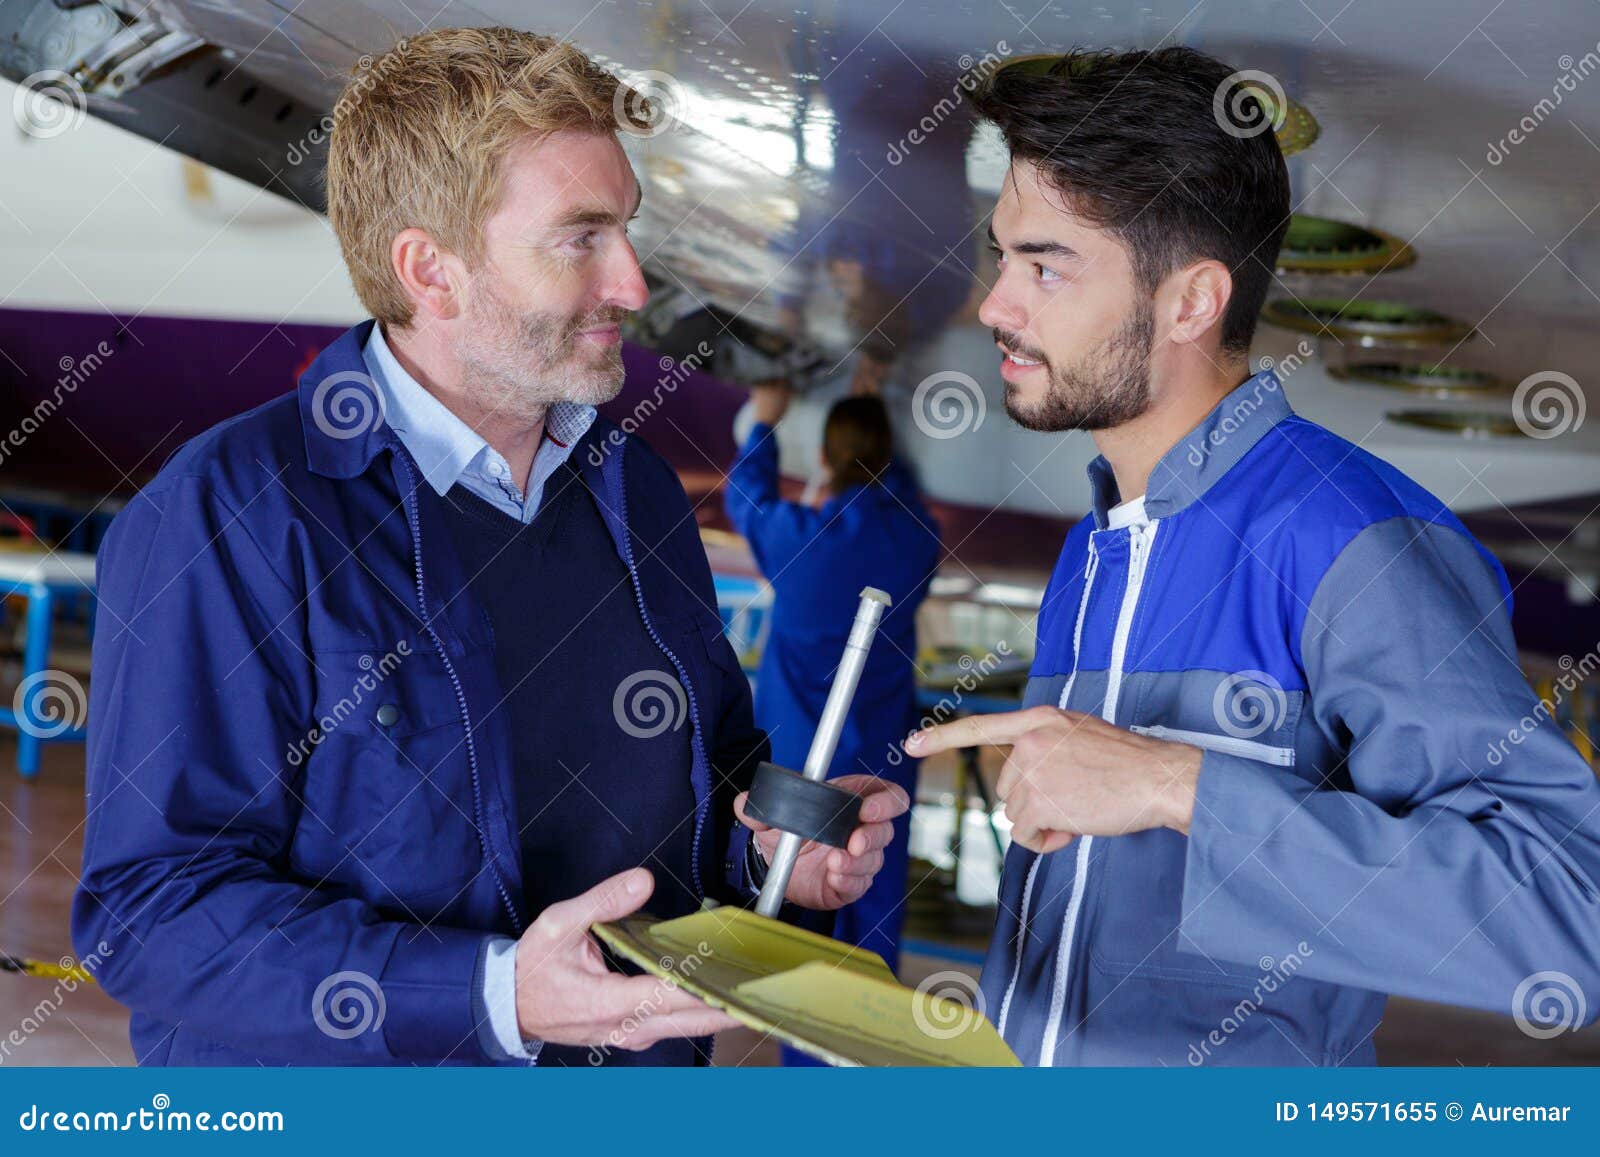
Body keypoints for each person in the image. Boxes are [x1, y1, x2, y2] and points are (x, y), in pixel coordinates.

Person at [72, 27, 905, 1067]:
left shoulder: (632, 487)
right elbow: (152, 913)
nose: (635, 286)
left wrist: (768, 849)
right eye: (581, 237)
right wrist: (492, 994)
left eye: (626, 231)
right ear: (430, 269)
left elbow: (704, 786)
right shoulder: (234, 511)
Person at [905, 46, 1600, 1066]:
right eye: (1002, 255)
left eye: (1045, 265)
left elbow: (1564, 914)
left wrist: (1179, 786)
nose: (995, 305)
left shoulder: (1352, 542)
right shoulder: (1097, 550)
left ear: (1190, 302)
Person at [725, 383, 941, 998]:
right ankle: (857, 1050)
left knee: (797, 905)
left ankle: (803, 1056)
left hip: (797, 763)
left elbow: (747, 497)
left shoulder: (794, 537)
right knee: (870, 906)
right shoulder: (914, 539)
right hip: (880, 762)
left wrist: (763, 423)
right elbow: (899, 499)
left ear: (824, 457)